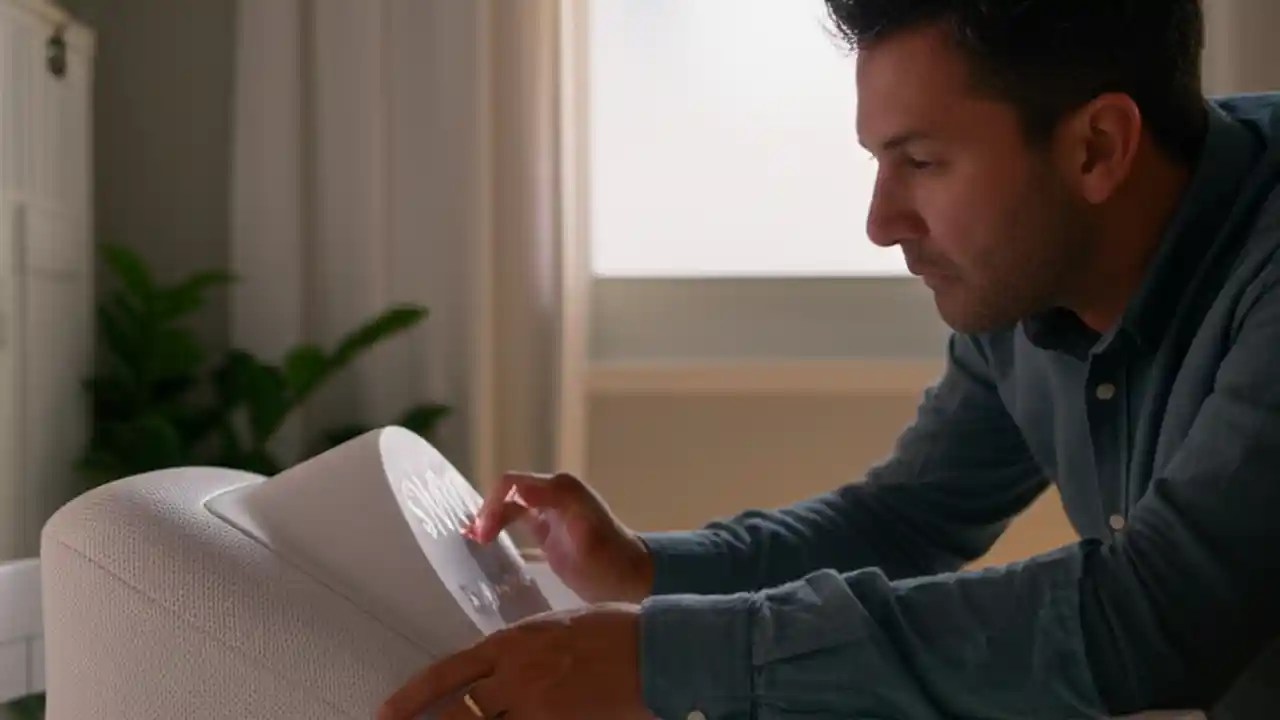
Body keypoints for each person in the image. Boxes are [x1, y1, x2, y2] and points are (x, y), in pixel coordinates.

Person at [380, 0, 1280, 717]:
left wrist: (666, 657)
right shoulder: (1028, 276)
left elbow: (1154, 618)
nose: (882, 222)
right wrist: (646, 570)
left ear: (1098, 147)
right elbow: (906, 521)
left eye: (922, 161)